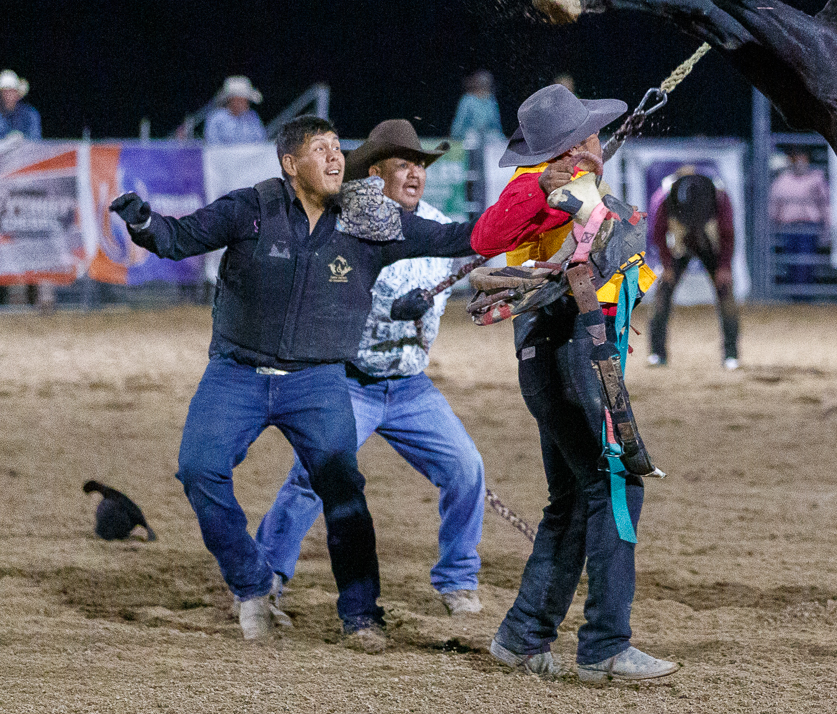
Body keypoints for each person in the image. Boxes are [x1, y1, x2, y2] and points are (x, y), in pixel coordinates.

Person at [109, 115, 474, 651]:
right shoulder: (251, 207)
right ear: (290, 164)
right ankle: (253, 586)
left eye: (336, 148)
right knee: (198, 470)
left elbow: (454, 237)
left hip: (319, 382)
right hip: (236, 373)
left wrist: (533, 203)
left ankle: (361, 614)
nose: (333, 158)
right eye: (320, 149)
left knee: (343, 489)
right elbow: (180, 236)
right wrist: (144, 224)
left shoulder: (367, 221)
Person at [470, 83, 677, 684]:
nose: (596, 141)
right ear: (571, 143)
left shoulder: (574, 188)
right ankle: (606, 646)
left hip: (554, 355)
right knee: (617, 486)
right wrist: (551, 182)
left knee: (576, 496)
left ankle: (523, 636)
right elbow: (486, 238)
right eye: (586, 133)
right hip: (571, 357)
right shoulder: (543, 188)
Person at [255, 119, 488, 618]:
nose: (415, 174)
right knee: (311, 477)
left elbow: (476, 269)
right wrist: (384, 310)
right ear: (375, 172)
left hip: (409, 385)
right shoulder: (350, 224)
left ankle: (458, 580)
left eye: (420, 165)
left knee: (467, 469)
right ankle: (266, 574)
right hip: (349, 383)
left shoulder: (436, 226)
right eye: (403, 164)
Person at [645, 167, 739, 370]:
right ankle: (657, 352)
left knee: (725, 290)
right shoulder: (664, 198)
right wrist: (666, 264)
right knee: (664, 290)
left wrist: (724, 266)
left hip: (710, 242)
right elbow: (659, 233)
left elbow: (728, 233)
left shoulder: (720, 198)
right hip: (679, 242)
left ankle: (731, 354)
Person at [768, 149, 829, 288]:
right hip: (788, 226)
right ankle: (794, 297)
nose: (800, 161)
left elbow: (825, 204)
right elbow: (774, 204)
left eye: (803, 157)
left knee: (806, 264)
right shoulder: (782, 180)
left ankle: (805, 297)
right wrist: (774, 222)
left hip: (808, 226)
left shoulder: (816, 179)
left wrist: (827, 226)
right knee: (790, 264)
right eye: (797, 157)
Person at [203, 75, 267, 145]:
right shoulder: (216, 119)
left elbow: (261, 140)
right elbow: (212, 144)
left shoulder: (252, 117)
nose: (246, 103)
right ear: (232, 100)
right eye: (241, 100)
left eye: (246, 100)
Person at [450, 69, 504, 139]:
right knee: (473, 138)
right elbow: (459, 124)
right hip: (469, 136)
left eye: (486, 84)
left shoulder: (491, 101)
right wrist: (456, 136)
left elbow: (496, 124)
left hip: (488, 137)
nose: (484, 87)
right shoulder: (467, 100)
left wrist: (500, 136)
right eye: (482, 84)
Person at [0, 70, 41, 140]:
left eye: (11, 91)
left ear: (17, 93)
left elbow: (35, 141)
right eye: (5, 92)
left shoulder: (30, 114)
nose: (8, 95)